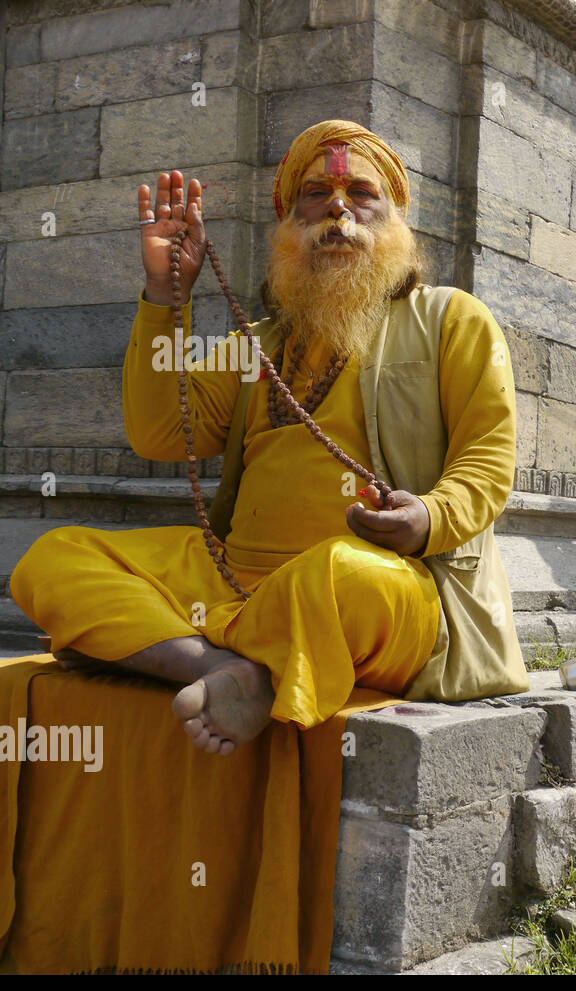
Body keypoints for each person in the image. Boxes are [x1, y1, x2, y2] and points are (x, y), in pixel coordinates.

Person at [9, 120, 528, 755]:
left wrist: (429, 516)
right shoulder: (253, 346)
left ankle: (189, 650)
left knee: (349, 575)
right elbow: (161, 431)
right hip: (233, 581)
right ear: (288, 227)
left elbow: (489, 455)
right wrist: (165, 296)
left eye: (361, 194)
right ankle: (230, 670)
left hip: (377, 586)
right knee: (55, 558)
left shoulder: (450, 318)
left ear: (395, 222)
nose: (338, 208)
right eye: (315, 195)